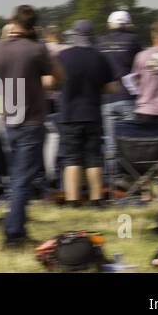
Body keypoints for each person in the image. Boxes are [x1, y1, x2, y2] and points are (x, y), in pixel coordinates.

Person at [0, 4, 61, 248]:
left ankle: (17, 224)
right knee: (22, 178)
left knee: (18, 174)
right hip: (32, 120)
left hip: (9, 119)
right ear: (33, 26)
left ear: (12, 22)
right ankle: (14, 233)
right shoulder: (37, 50)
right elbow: (60, 77)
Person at [55, 19, 117, 205]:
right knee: (93, 158)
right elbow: (113, 88)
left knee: (71, 158)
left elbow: (51, 82)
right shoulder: (100, 57)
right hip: (92, 113)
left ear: (74, 35)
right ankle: (96, 198)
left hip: (69, 114)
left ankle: (73, 199)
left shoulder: (63, 56)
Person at [97, 10, 141, 188]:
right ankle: (129, 177)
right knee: (130, 140)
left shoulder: (100, 42)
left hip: (107, 98)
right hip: (128, 96)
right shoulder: (133, 40)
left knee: (109, 140)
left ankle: (112, 177)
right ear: (127, 24)